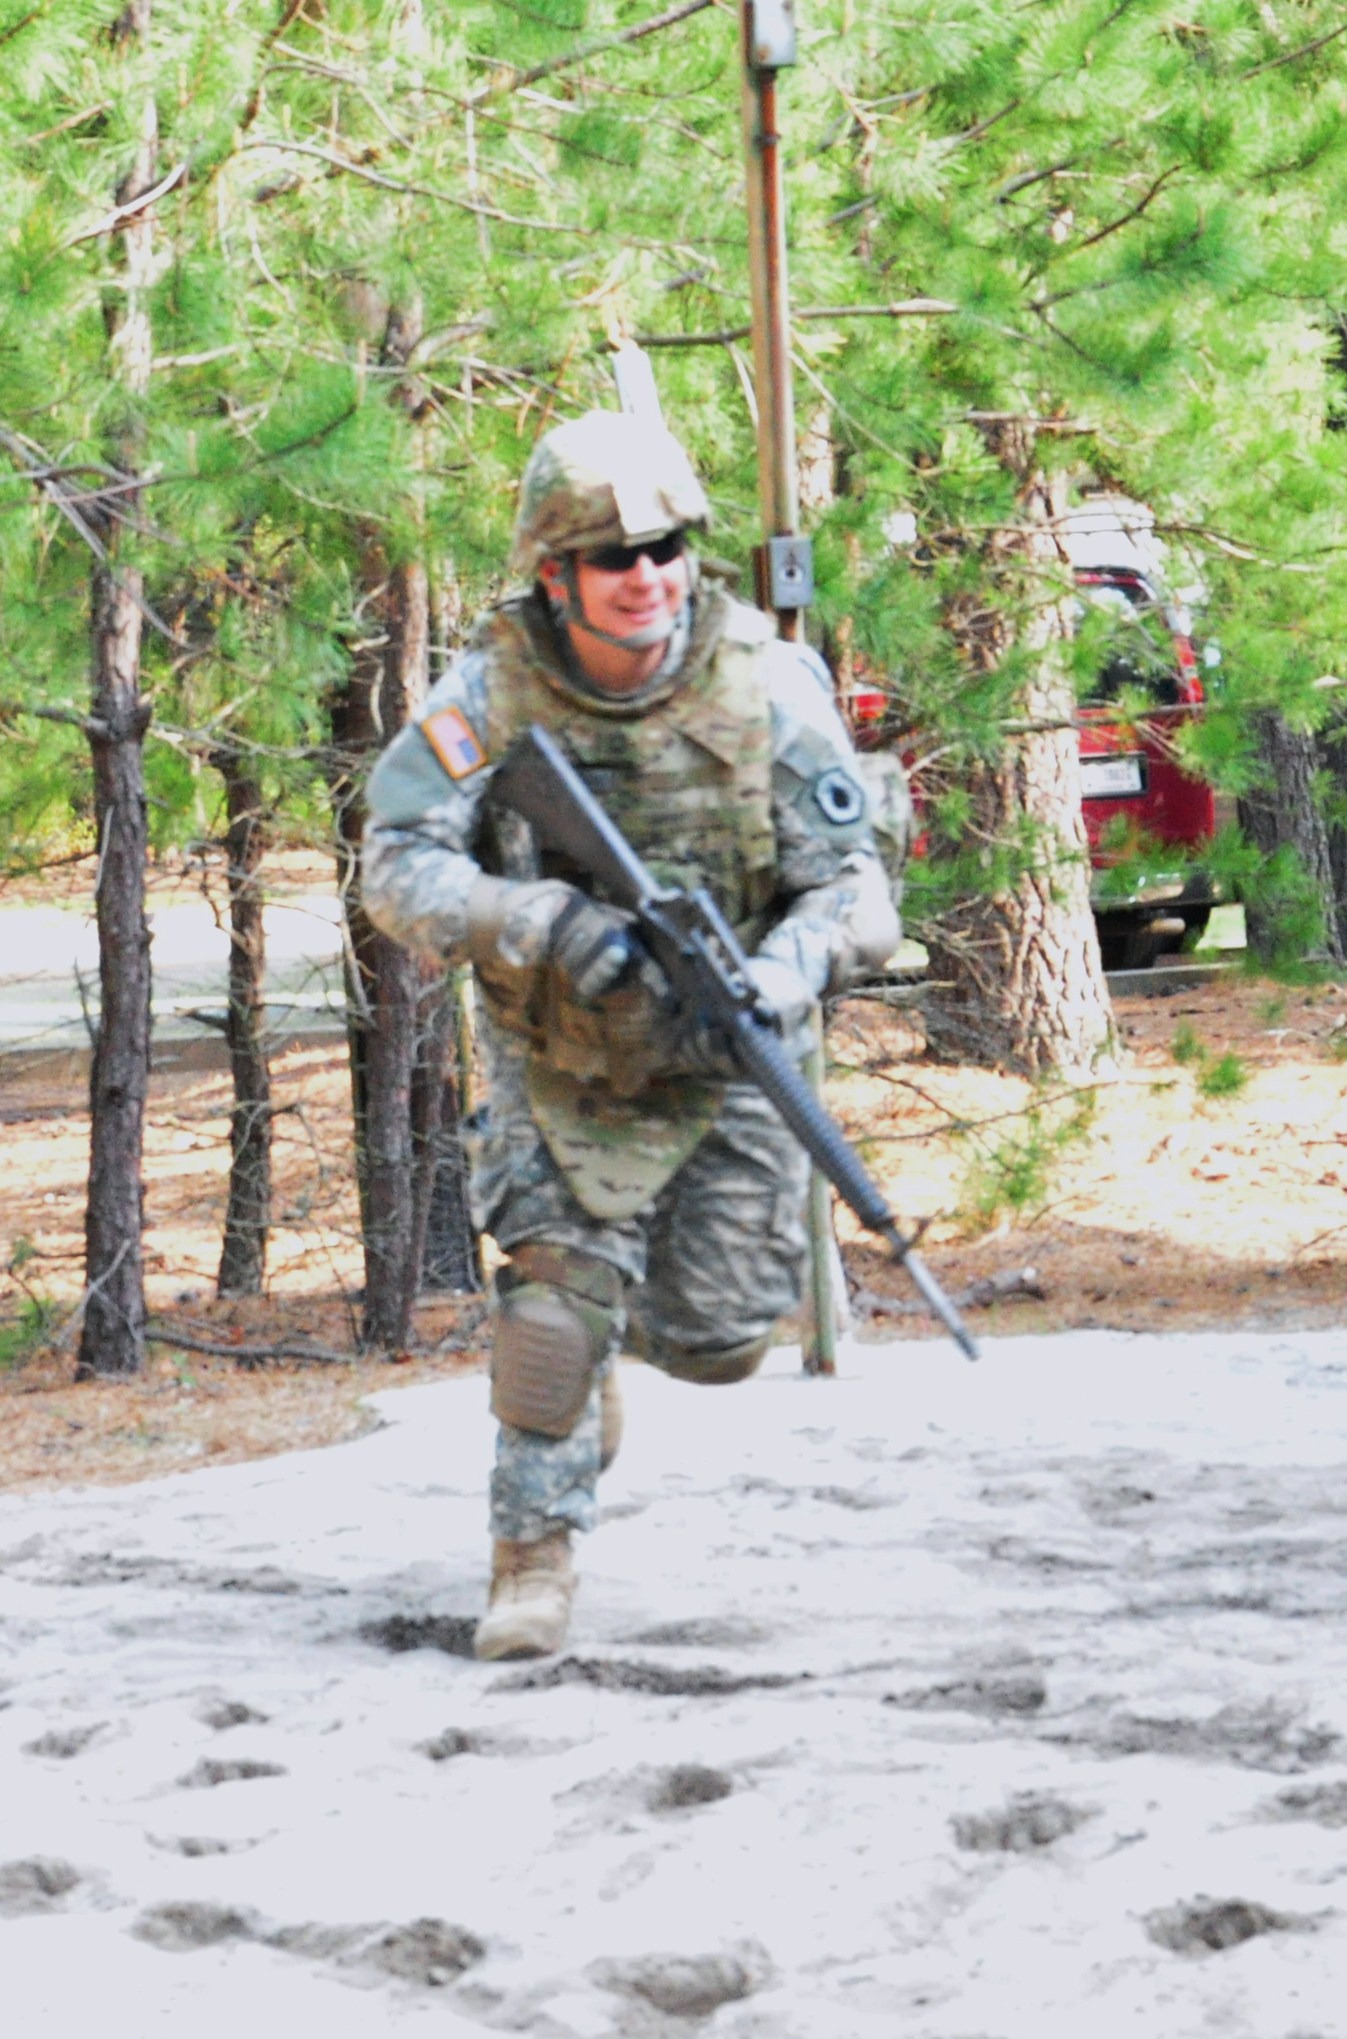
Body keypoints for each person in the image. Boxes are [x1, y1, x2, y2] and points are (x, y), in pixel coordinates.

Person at [361, 411, 902, 1661]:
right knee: (556, 1304)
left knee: (721, 1340)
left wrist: (782, 971)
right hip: (564, 1061)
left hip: (730, 1054)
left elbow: (854, 884)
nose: (648, 575)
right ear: (556, 572)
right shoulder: (489, 693)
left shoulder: (766, 681)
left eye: (666, 548)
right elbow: (395, 866)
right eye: (614, 556)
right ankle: (532, 1560)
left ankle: (610, 1345)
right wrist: (538, 919)